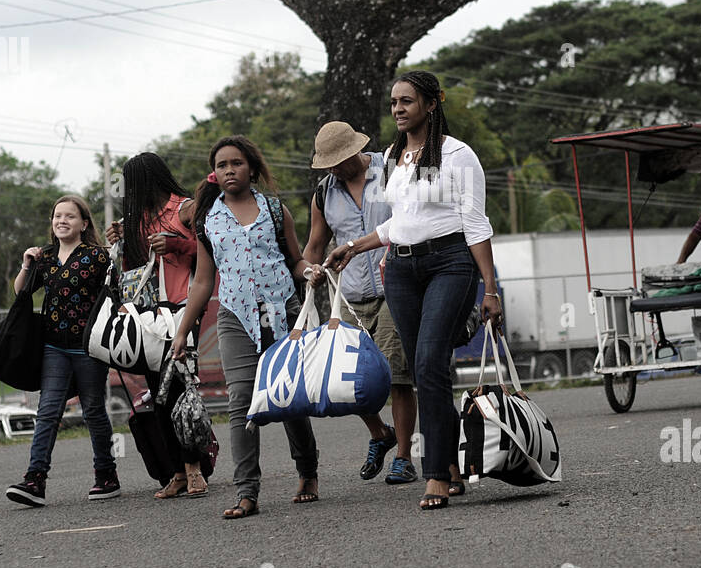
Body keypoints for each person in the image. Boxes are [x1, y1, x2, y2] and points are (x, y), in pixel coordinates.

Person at [325, 71, 501, 511]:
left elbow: (475, 223)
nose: (398, 109)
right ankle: (454, 466)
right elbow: (396, 223)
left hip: (451, 262)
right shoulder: (392, 156)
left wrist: (490, 289)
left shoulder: (458, 155)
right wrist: (353, 246)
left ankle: (437, 474)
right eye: (393, 103)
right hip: (401, 270)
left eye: (406, 101)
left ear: (430, 104)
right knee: (430, 370)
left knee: (425, 363)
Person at [169, 135, 320, 520]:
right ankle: (247, 492)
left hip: (281, 312)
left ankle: (307, 471)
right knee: (242, 402)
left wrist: (311, 271)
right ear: (214, 174)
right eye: (221, 165)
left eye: (236, 163)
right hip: (234, 317)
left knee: (288, 398)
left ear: (250, 167)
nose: (229, 170)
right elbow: (203, 281)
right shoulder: (208, 220)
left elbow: (295, 259)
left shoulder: (274, 209)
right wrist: (183, 330)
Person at [303, 121, 419, 485]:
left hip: (394, 287)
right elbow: (314, 246)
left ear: (356, 150)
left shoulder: (390, 170)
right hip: (349, 297)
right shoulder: (324, 192)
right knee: (350, 381)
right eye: (329, 164)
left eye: (340, 160)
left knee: (397, 375)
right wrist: (311, 271)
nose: (335, 168)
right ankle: (379, 434)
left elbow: (413, 219)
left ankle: (404, 455)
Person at [105, 153, 206, 499]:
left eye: (133, 184)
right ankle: (177, 471)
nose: (129, 192)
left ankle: (194, 468)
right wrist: (121, 240)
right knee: (158, 392)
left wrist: (176, 243)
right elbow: (131, 270)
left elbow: (210, 250)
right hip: (149, 315)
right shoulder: (137, 219)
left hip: (184, 307)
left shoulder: (186, 209)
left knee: (180, 386)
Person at [6, 196, 118, 507]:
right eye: (57, 216)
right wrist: (26, 265)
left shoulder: (98, 257)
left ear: (84, 223)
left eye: (70, 216)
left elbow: (116, 293)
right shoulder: (45, 257)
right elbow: (21, 291)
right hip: (54, 346)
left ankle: (106, 475)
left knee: (93, 410)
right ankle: (35, 479)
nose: (62, 221)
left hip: (89, 347)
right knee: (48, 411)